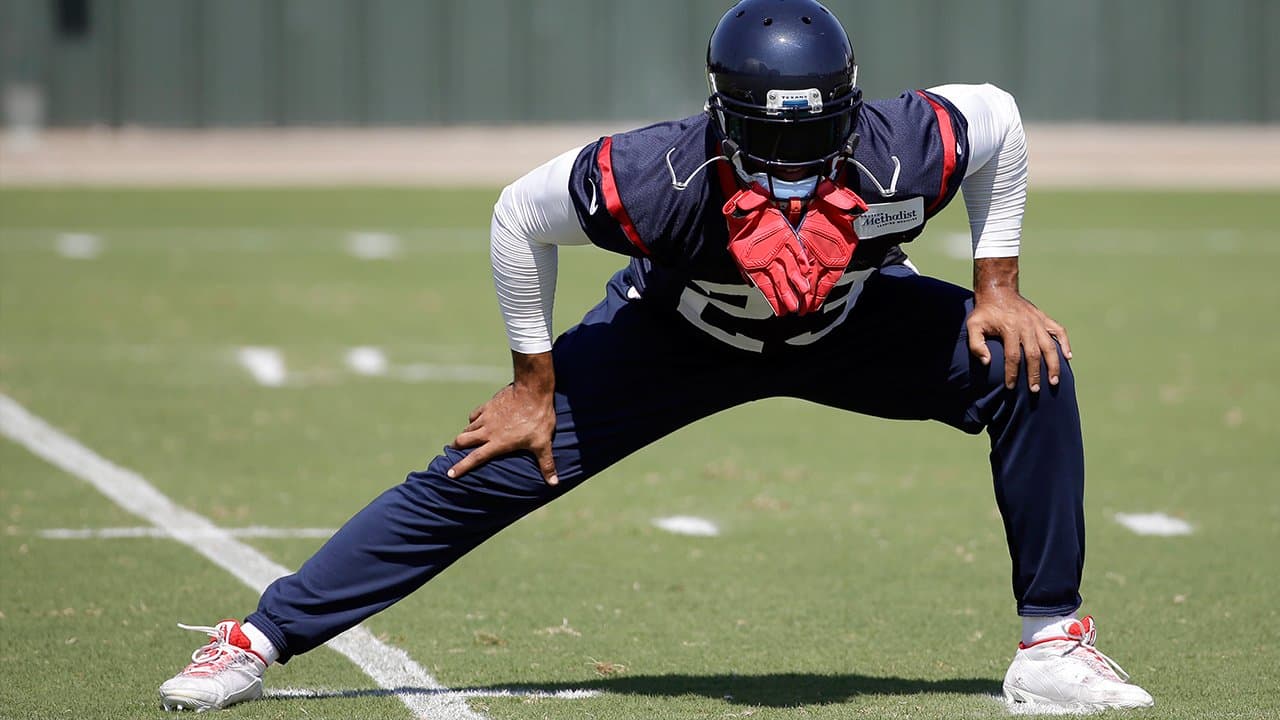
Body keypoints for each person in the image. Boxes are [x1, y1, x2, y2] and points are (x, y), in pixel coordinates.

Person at [159, 0, 1153, 712]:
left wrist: (996, 288)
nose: (797, 173)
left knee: (1030, 368)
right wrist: (529, 385)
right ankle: (255, 639)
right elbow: (517, 217)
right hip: (679, 337)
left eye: (816, 144)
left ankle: (1051, 645)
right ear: (724, 115)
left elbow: (1000, 123)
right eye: (770, 143)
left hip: (852, 324)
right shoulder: (652, 176)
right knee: (482, 467)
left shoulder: (905, 145)